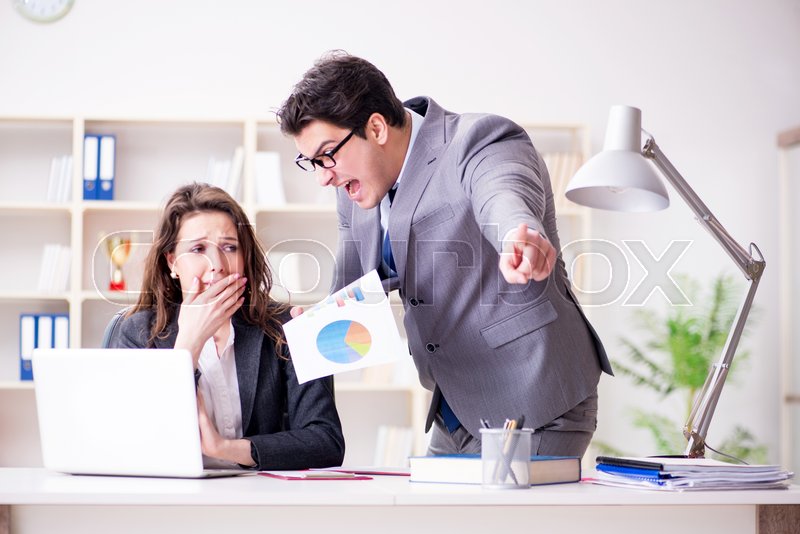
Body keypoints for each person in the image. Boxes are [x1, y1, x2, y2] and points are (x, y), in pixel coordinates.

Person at [277, 51, 613, 458]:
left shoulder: (477, 139)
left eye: (327, 154)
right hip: (456, 408)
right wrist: (311, 323)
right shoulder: (354, 190)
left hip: (535, 397)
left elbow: (502, 192)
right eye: (310, 162)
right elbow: (350, 293)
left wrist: (516, 236)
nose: (322, 176)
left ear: (377, 127)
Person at [109, 182, 345, 470]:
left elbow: (326, 441)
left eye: (229, 247)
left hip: (261, 499)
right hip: (170, 499)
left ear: (244, 258)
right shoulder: (137, 333)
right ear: (172, 261)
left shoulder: (286, 326)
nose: (217, 264)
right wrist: (188, 346)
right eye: (197, 248)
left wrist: (228, 449)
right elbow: (135, 442)